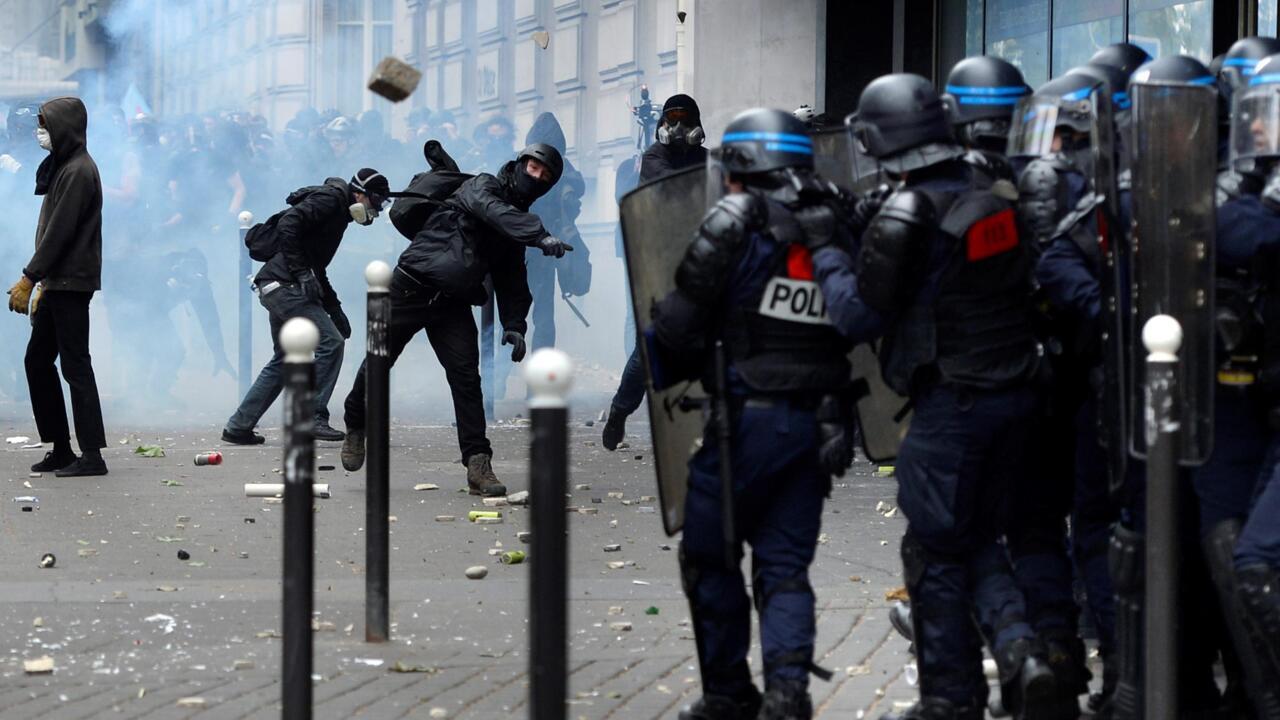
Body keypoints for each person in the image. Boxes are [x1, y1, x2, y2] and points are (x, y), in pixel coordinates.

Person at [649, 108, 873, 720]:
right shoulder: (836, 225)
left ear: (744, 164)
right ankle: (787, 696)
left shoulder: (735, 224)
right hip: (820, 428)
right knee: (784, 569)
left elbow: (676, 327)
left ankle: (727, 694)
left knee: (710, 554)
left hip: (744, 424)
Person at [848, 74, 1055, 720]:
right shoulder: (994, 191)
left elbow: (861, 315)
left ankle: (952, 697)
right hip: (1015, 394)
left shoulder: (909, 212)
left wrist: (830, 252)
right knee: (975, 536)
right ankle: (1024, 653)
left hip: (954, 404)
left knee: (934, 548)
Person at [339, 144, 571, 496]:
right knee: (377, 362)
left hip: (453, 302)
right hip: (410, 286)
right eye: (532, 167)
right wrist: (538, 234)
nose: (534, 176)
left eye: (544, 175)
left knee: (466, 381)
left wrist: (515, 324)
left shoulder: (514, 226)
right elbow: (491, 210)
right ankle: (355, 420)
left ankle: (478, 462)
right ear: (520, 163)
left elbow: (511, 278)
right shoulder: (482, 186)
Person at [221, 167, 390, 445]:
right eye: (375, 202)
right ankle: (312, 416)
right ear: (360, 193)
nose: (377, 210)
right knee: (330, 342)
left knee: (286, 359)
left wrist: (333, 308)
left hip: (278, 285)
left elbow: (317, 268)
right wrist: (300, 273)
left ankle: (239, 426)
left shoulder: (338, 215)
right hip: (285, 286)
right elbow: (289, 226)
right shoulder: (331, 200)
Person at [6, 97, 109, 477]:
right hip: (58, 281)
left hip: (70, 281)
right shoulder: (64, 167)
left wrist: (30, 278)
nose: (40, 132)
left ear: (63, 127)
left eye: (45, 124)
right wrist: (43, 281)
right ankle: (61, 448)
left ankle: (93, 455)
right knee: (37, 361)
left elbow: (60, 233)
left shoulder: (79, 171)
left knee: (76, 365)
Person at [603, 93, 709, 450]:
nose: (678, 127)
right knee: (650, 347)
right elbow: (673, 194)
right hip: (660, 261)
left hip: (701, 262)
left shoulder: (708, 160)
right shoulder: (653, 159)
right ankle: (620, 410)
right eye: (671, 118)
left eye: (684, 118)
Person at [524, 112, 587, 351]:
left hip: (534, 250)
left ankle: (496, 383)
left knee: (514, 319)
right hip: (541, 250)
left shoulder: (525, 163)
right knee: (541, 317)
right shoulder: (564, 170)